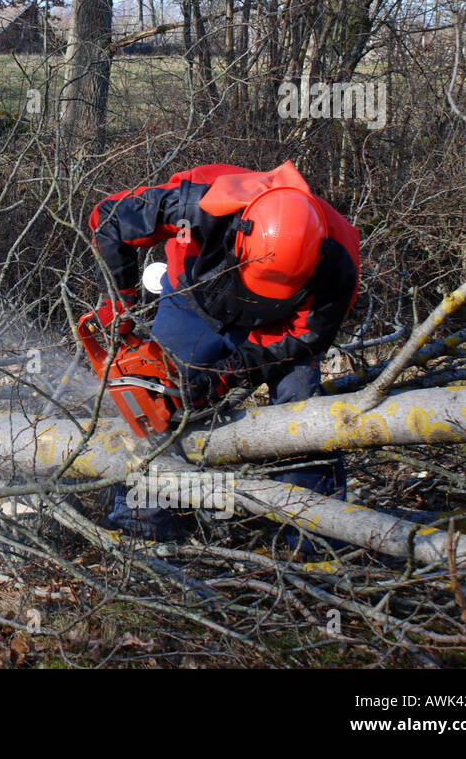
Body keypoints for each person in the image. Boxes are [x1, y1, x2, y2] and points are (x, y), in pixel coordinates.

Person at [88, 161, 361, 544]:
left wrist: (229, 373)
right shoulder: (196, 201)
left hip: (275, 327)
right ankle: (141, 528)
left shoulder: (339, 257)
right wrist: (120, 299)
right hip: (193, 301)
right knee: (155, 402)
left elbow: (304, 337)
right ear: (240, 234)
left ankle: (310, 534)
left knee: (302, 408)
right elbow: (109, 218)